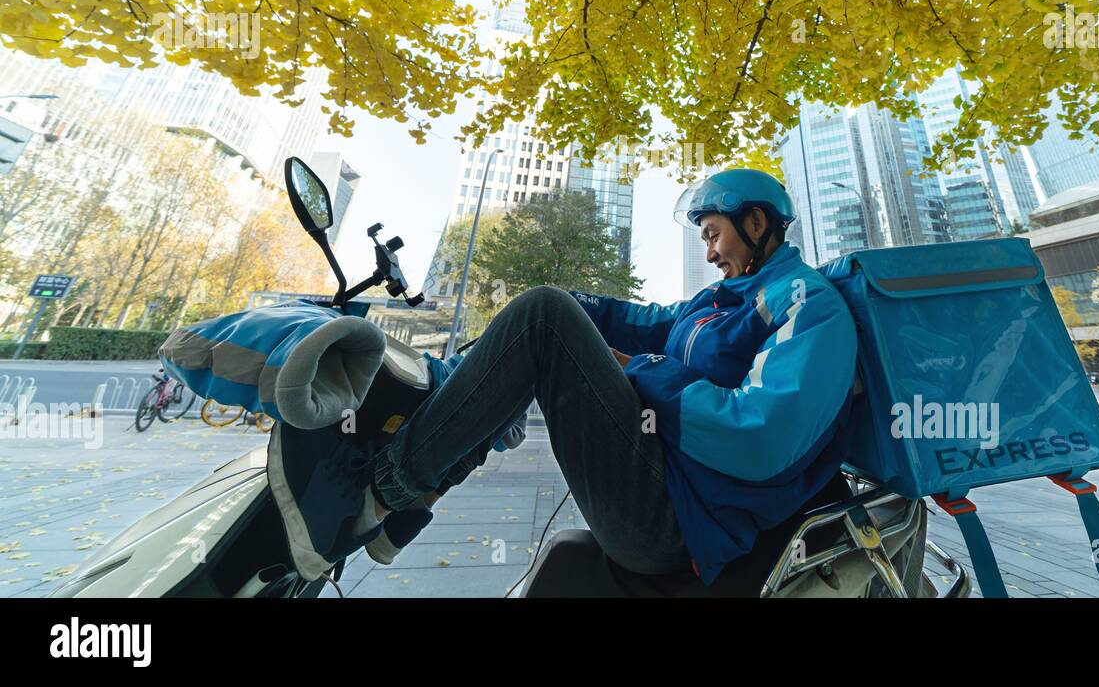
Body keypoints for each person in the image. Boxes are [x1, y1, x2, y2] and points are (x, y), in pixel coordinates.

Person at [269, 168, 860, 585]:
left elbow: (760, 435)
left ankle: (384, 492)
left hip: (680, 517)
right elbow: (640, 323)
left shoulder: (809, 303)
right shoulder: (717, 301)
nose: (708, 251)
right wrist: (569, 304)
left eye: (713, 234)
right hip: (661, 480)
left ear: (756, 222)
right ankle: (412, 499)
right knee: (545, 312)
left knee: (544, 317)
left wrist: (644, 369)